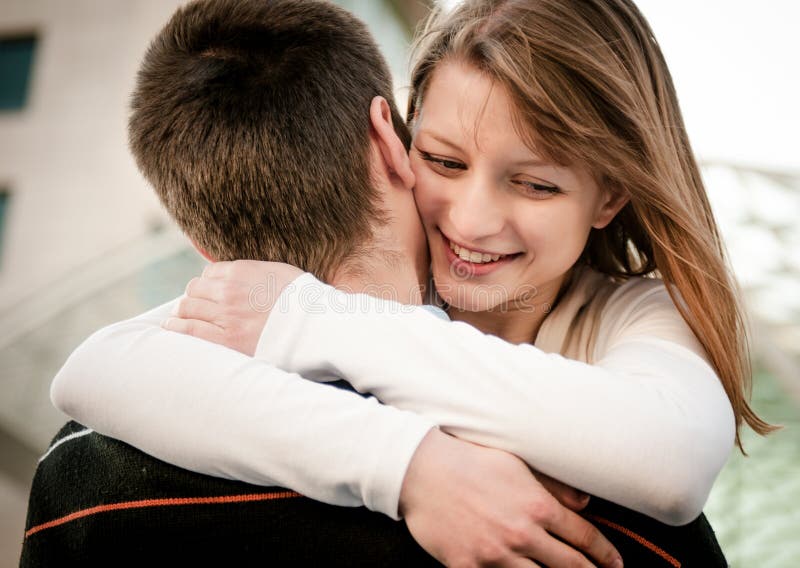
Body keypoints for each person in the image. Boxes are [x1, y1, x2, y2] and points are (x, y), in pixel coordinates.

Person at [46, 0, 762, 564]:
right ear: (395, 139)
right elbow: (96, 369)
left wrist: (314, 322)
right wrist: (412, 466)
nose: (474, 221)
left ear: (609, 197)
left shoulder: (635, 314)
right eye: (445, 162)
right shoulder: (337, 285)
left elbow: (666, 461)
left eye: (536, 184)